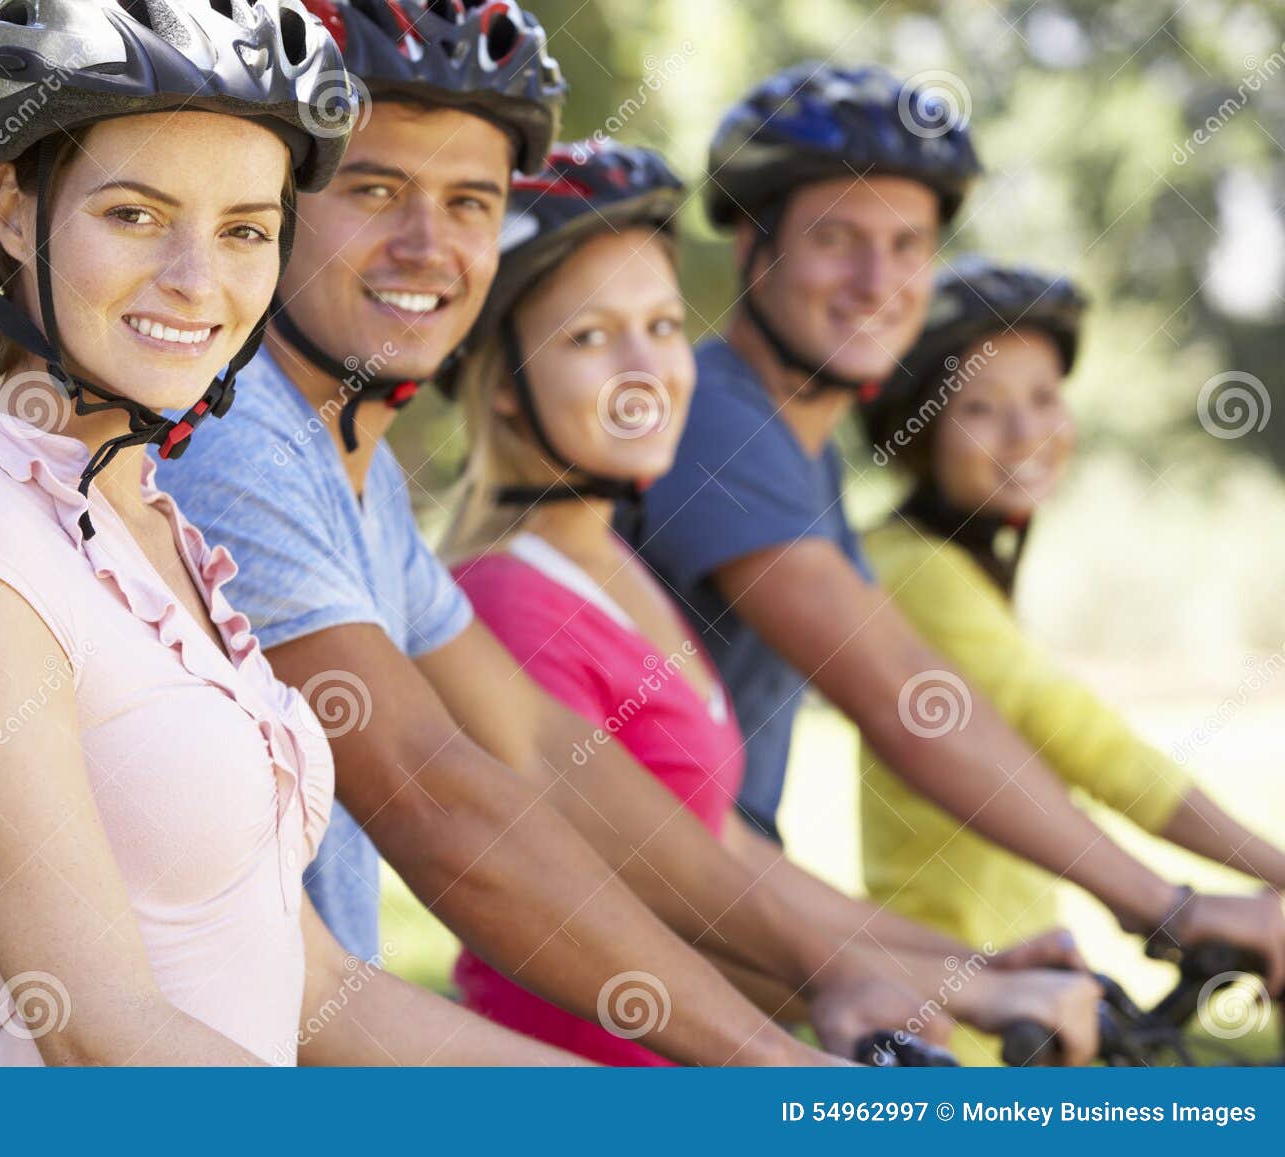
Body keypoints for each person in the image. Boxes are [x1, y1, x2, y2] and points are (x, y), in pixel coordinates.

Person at [162, 0, 940, 1066]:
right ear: (275, 206)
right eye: (375, 189)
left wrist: (832, 969)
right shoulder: (235, 443)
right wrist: (775, 1064)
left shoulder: (359, 473)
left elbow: (539, 751)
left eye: (469, 200)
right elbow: (440, 800)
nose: (427, 245)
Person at [0, 0, 582, 1068]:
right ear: (15, 208)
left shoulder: (155, 525)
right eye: (135, 214)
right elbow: (100, 1029)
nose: (198, 280)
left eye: (245, 229)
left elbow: (318, 987)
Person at [438, 140, 1104, 1066]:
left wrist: (966, 969)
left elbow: (725, 858)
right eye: (590, 338)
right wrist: (895, 985)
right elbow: (634, 902)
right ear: (504, 385)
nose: (648, 371)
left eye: (665, 326)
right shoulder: (509, 603)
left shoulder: (613, 567)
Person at [635, 60, 1285, 993]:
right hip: (633, 974)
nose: (878, 280)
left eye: (909, 245)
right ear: (750, 247)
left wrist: (963, 965)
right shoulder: (717, 419)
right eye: (836, 238)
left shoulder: (798, 449)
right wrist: (1164, 905)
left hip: (710, 944)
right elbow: (903, 694)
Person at [857, 257, 1285, 954]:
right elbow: (1085, 740)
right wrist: (1272, 871)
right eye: (980, 407)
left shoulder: (954, 564)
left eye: (1044, 396)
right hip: (958, 1013)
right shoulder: (912, 571)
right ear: (917, 429)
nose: (1027, 432)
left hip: (1017, 989)